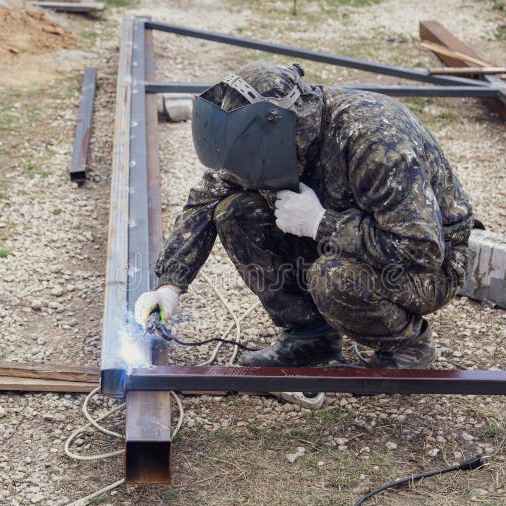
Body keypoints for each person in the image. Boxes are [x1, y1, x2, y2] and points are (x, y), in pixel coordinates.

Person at [134, 61, 473, 369]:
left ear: (280, 127)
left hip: (430, 268)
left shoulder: (374, 142)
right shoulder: (272, 135)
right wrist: (169, 287)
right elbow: (206, 200)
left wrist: (320, 223)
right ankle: (310, 338)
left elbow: (421, 250)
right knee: (235, 213)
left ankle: (407, 344)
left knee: (334, 279)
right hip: (351, 240)